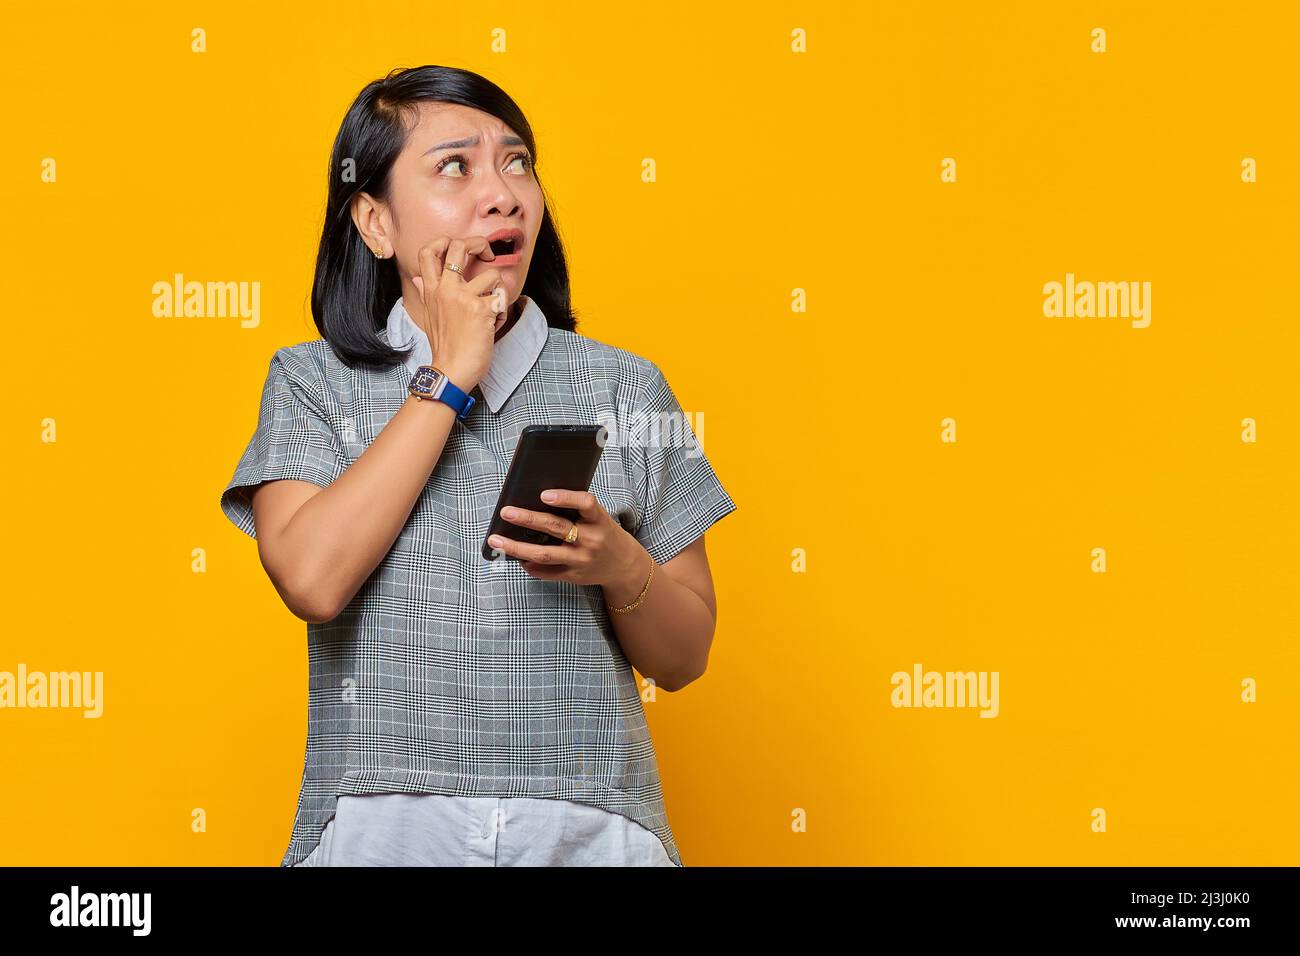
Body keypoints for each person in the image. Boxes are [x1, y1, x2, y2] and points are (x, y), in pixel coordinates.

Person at [219, 65, 737, 867]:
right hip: (381, 830)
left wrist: (618, 563)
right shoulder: (311, 379)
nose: (502, 194)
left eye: (517, 163)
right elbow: (312, 580)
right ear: (375, 222)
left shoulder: (625, 384)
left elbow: (687, 657)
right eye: (455, 166)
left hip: (592, 828)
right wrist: (454, 372)